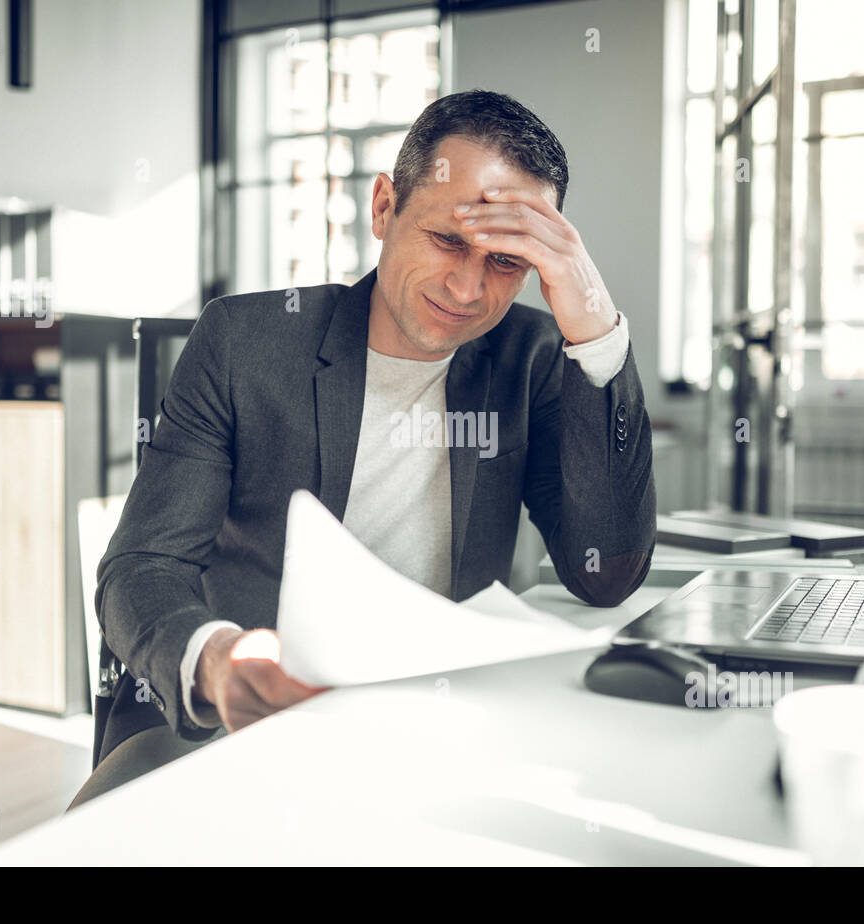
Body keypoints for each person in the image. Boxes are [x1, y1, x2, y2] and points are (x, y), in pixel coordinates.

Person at [70, 90, 657, 808]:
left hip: (429, 727)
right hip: (240, 719)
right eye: (448, 240)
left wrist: (596, 333)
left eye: (506, 262)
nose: (468, 288)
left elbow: (605, 577)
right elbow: (141, 565)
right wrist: (218, 660)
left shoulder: (531, 358)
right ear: (384, 208)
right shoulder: (243, 345)